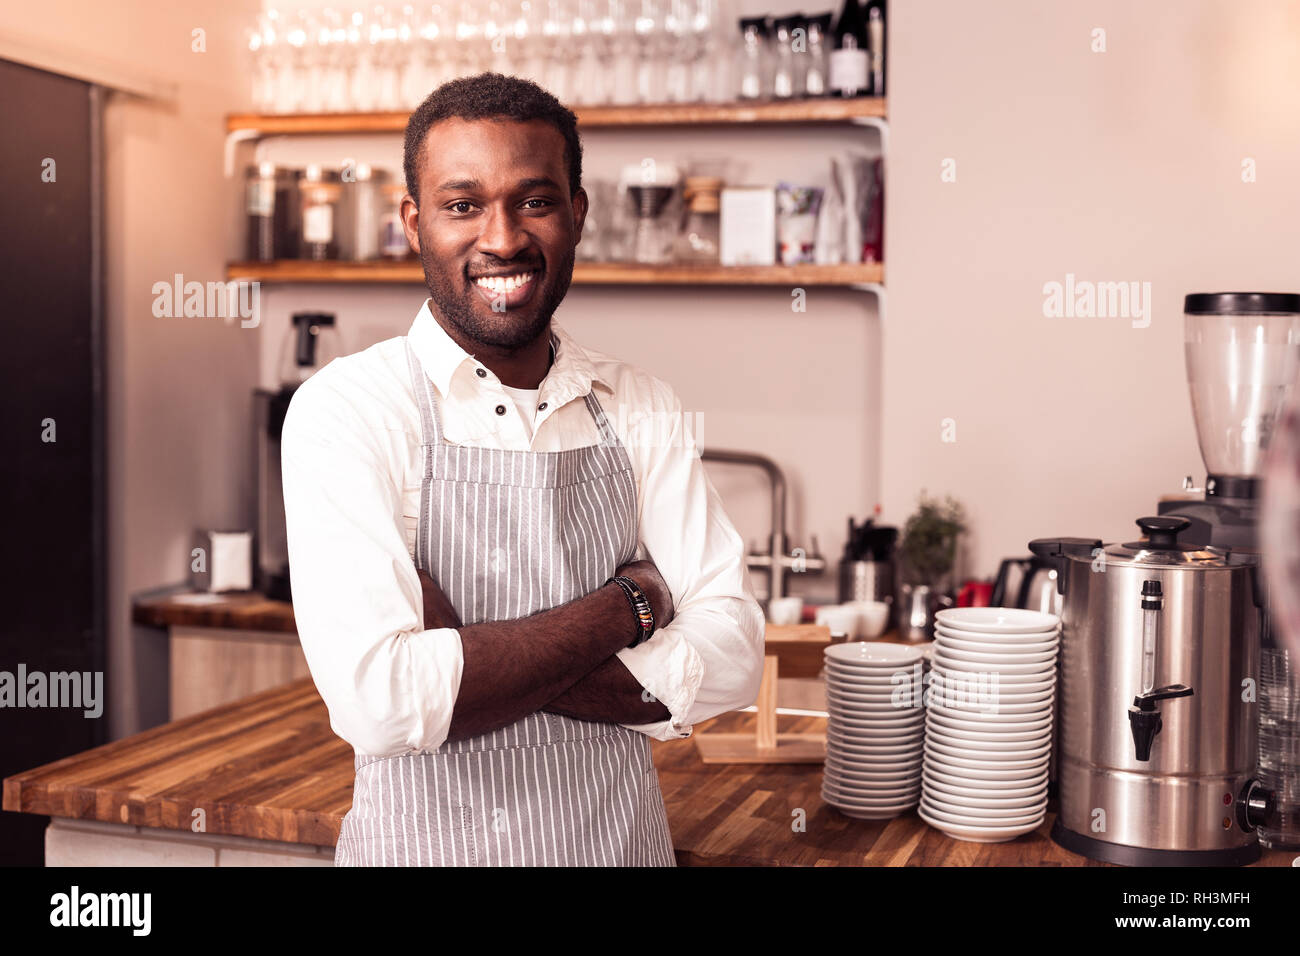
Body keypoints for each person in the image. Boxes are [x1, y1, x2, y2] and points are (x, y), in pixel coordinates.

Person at [281, 72, 765, 866]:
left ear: (577, 214)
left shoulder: (640, 403)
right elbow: (383, 701)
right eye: (462, 205)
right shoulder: (349, 410)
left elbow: (737, 652)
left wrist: (463, 653)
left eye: (534, 201)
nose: (501, 239)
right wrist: (627, 608)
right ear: (413, 222)